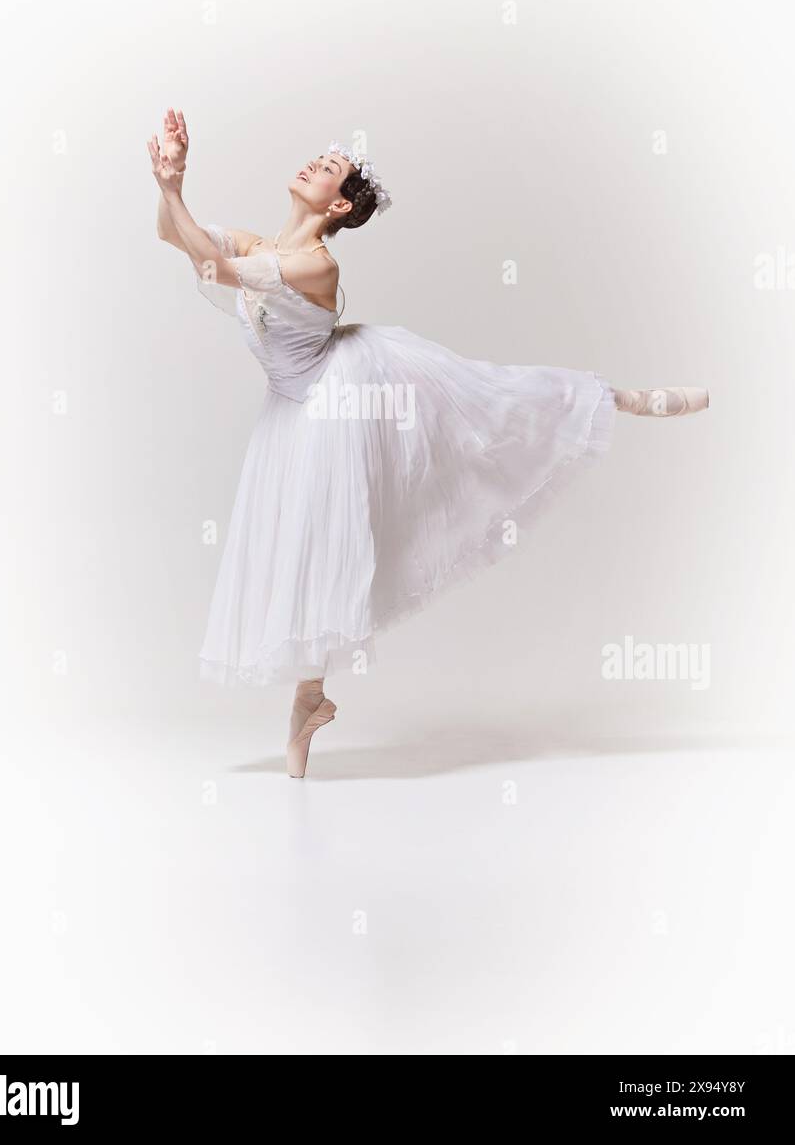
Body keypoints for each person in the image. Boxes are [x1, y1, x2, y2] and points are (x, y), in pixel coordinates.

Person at [149, 110, 709, 778]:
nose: (312, 164)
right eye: (318, 159)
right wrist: (169, 184)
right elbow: (176, 238)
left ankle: (616, 398)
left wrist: (178, 190)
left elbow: (214, 268)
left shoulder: (313, 264)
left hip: (341, 395)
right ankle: (308, 703)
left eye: (327, 169)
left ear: (335, 205)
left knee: (492, 404)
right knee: (305, 552)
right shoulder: (260, 241)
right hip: (292, 408)